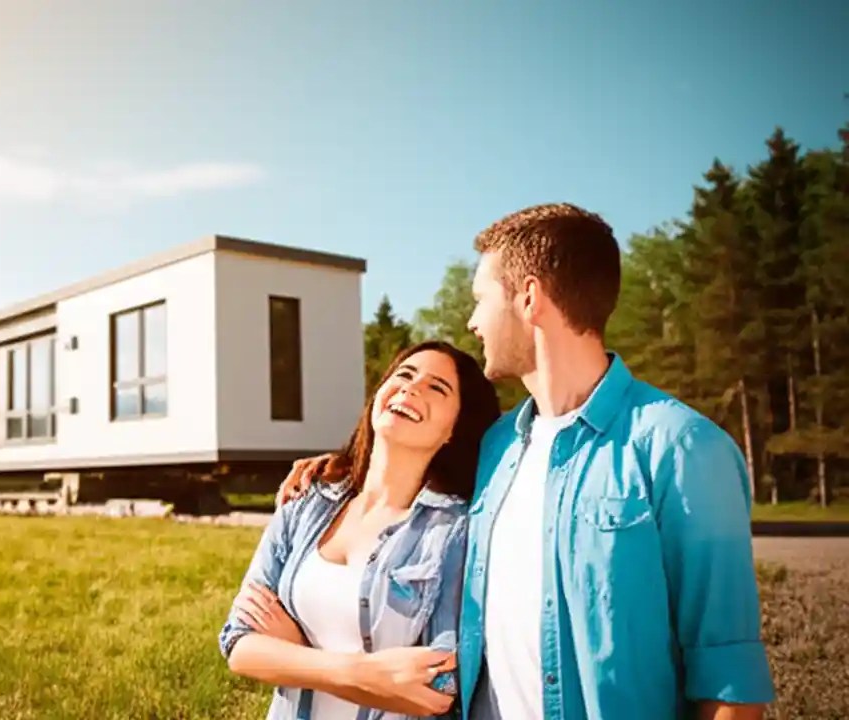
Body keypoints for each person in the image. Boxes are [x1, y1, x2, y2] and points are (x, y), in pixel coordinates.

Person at [278, 203, 774, 720]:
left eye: (480, 300)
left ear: (530, 298)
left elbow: (728, 675)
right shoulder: (495, 447)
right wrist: (340, 465)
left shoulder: (682, 447)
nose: (472, 322)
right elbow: (409, 467)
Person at [218, 340, 502, 719]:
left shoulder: (453, 532)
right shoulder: (305, 503)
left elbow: (440, 688)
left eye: (437, 387)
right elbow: (239, 642)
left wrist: (298, 655)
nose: (411, 387)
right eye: (404, 374)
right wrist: (365, 673)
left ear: (455, 428)